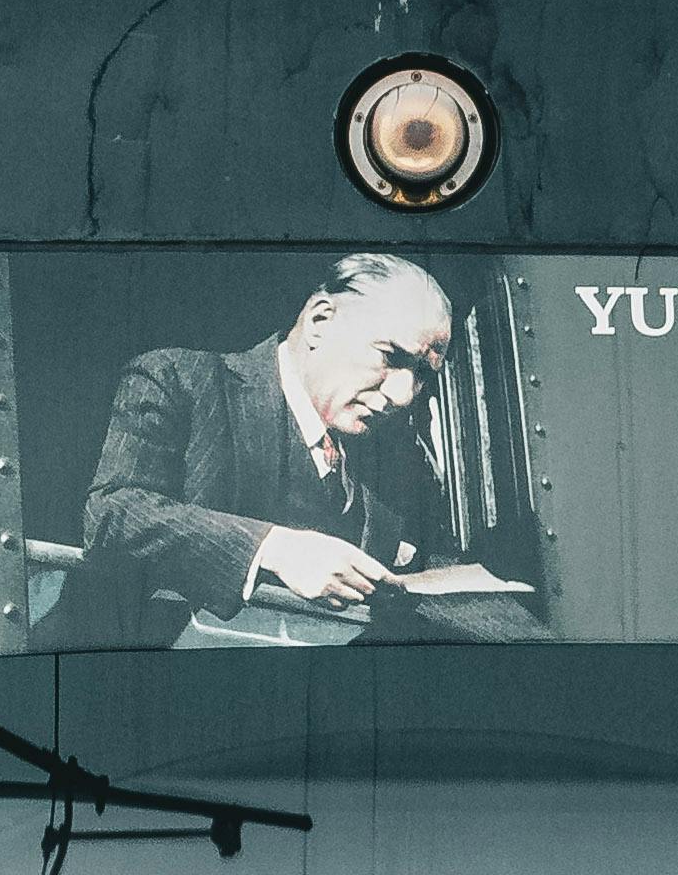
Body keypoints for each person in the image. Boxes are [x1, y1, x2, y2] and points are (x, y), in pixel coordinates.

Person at [78, 255, 460, 621]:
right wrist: (275, 549)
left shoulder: (396, 454)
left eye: (422, 375)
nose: (404, 394)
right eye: (391, 357)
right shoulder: (179, 379)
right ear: (320, 321)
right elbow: (112, 515)